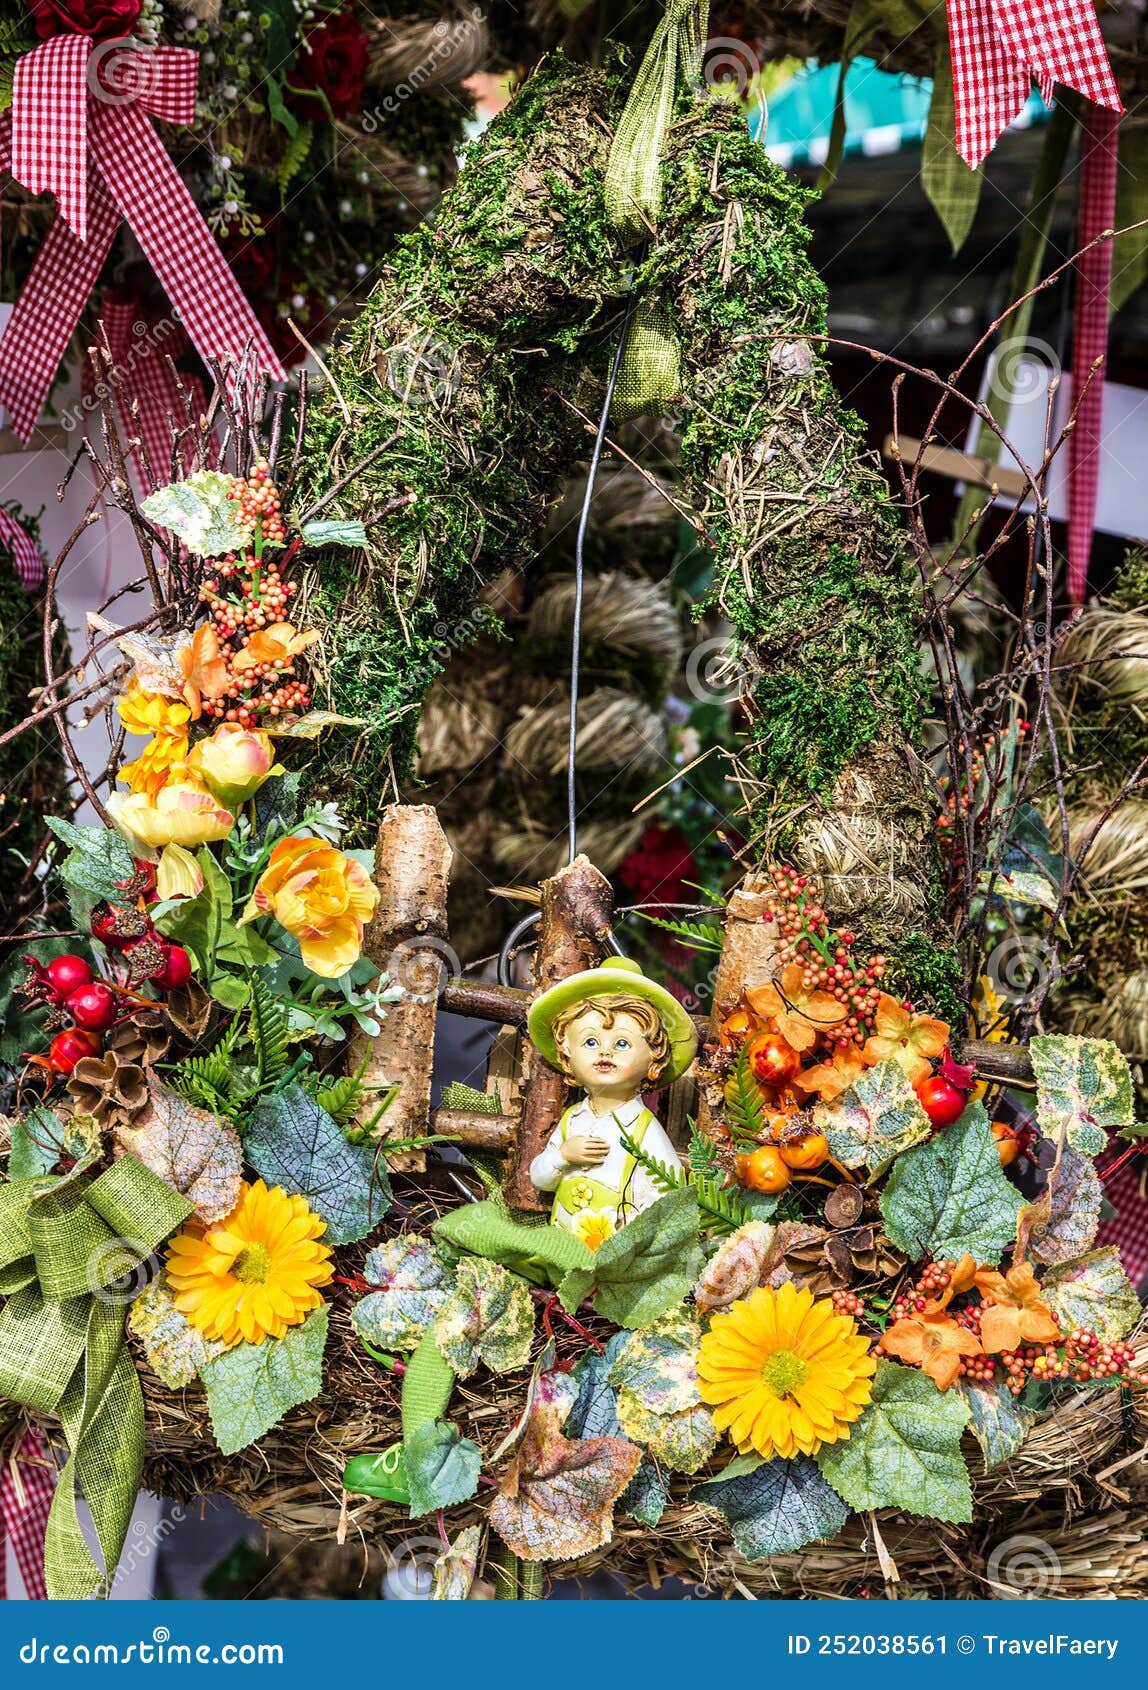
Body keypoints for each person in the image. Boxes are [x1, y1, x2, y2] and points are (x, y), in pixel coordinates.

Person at [526, 956, 698, 1249]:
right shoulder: (573, 1120)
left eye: (622, 1043)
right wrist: (562, 1156)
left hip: (617, 1251)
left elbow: (670, 1194)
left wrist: (637, 1231)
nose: (605, 1052)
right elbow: (540, 1179)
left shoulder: (642, 1129)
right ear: (567, 1052)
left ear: (654, 1056)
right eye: (590, 1042)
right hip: (561, 1244)